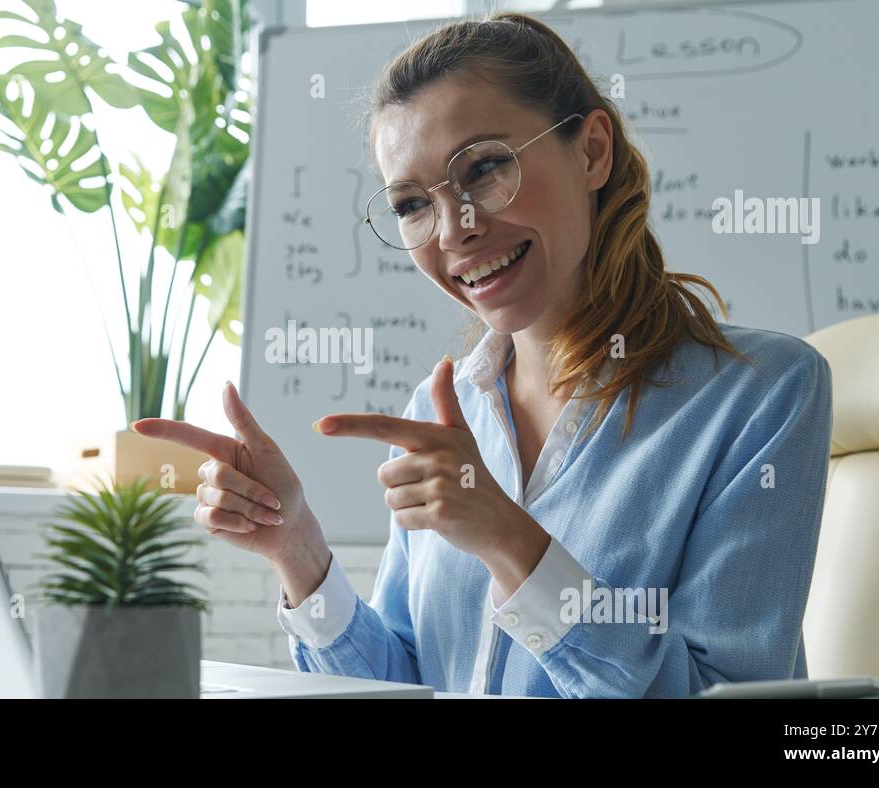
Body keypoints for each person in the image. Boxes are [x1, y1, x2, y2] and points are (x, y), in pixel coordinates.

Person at [134, 12, 833, 697]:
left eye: (486, 168)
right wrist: (298, 550)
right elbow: (410, 686)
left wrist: (507, 536)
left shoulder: (762, 393)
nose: (455, 229)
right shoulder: (443, 414)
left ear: (592, 151)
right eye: (412, 204)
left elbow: (718, 695)